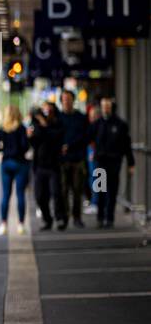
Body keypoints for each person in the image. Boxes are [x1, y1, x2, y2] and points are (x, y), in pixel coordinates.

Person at [91, 97, 136, 228]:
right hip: (100, 162)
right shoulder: (97, 124)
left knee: (111, 191)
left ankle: (109, 218)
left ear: (112, 107)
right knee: (100, 190)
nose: (105, 108)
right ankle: (100, 216)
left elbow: (126, 145)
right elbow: (88, 138)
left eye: (108, 106)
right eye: (103, 106)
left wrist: (130, 162)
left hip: (114, 162)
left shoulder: (120, 125)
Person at [56, 90, 91, 229]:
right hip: (62, 160)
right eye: (64, 99)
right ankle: (64, 218)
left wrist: (69, 146)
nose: (66, 101)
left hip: (77, 159)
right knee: (63, 190)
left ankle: (77, 217)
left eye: (69, 99)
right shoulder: (57, 118)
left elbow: (85, 137)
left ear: (73, 100)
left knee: (77, 190)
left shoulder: (81, 118)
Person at [0, 105, 30, 235]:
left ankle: (3, 224)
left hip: (6, 163)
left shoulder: (2, 129)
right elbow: (26, 147)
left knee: (5, 195)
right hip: (20, 163)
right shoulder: (22, 128)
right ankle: (20, 225)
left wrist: (5, 149)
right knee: (20, 195)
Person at [29, 101, 63, 230]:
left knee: (56, 193)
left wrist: (45, 125)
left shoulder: (57, 123)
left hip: (54, 165)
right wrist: (30, 136)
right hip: (39, 165)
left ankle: (60, 218)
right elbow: (34, 142)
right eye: (44, 110)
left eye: (48, 110)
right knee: (39, 195)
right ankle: (47, 219)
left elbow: (54, 137)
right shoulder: (36, 124)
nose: (45, 113)